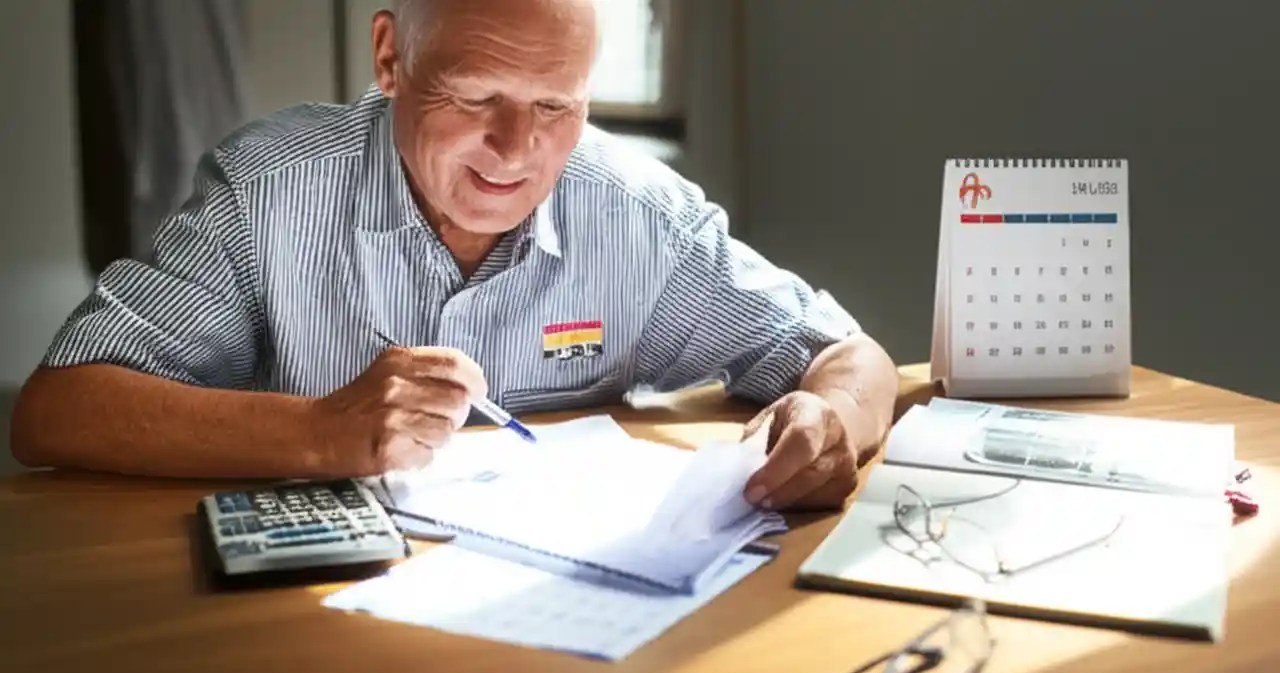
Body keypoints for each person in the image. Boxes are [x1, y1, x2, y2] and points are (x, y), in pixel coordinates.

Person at [10, 0, 898, 511]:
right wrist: (319, 432)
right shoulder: (266, 192)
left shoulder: (637, 215)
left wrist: (832, 423)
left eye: (555, 106)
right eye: (477, 96)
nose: (516, 150)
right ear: (391, 57)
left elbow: (849, 356)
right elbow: (55, 411)